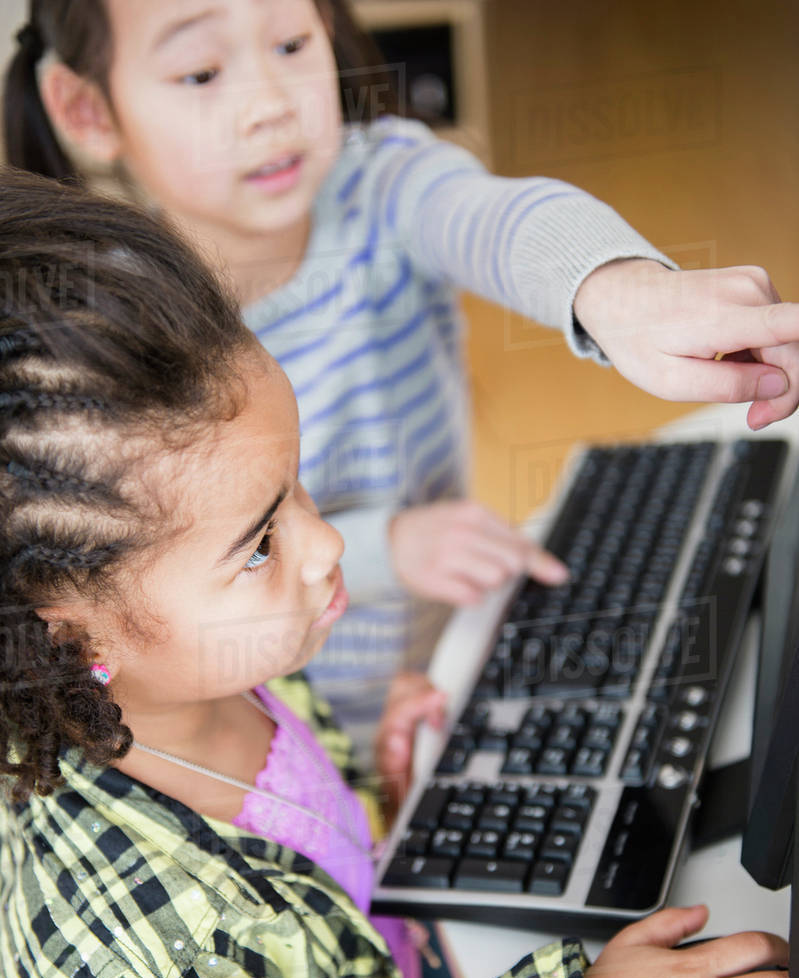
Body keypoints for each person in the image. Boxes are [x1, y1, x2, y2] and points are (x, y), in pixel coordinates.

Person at [1, 170, 798, 978]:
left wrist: (377, 798)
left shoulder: (196, 687)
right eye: (258, 543)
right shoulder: (120, 963)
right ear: (69, 638)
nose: (330, 545)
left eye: (298, 486)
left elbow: (298, 859)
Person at [6, 0, 799, 765]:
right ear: (87, 111)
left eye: (290, 45)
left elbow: (494, 219)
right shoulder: (115, 339)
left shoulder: (378, 177)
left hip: (436, 619)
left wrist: (618, 290)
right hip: (275, 689)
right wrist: (387, 546)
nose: (271, 105)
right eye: (203, 73)